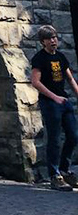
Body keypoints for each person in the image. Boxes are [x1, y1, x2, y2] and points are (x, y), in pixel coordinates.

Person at [31, 25, 78, 191]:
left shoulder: (60, 57)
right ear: (43, 42)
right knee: (55, 139)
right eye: (49, 39)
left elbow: (70, 79)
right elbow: (35, 82)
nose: (53, 41)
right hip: (50, 103)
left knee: (73, 136)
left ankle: (65, 170)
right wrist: (54, 97)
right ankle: (55, 175)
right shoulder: (39, 59)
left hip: (64, 102)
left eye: (54, 38)